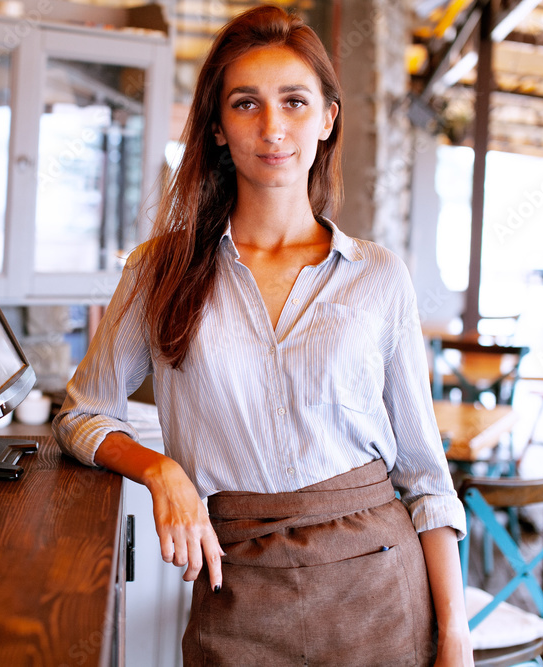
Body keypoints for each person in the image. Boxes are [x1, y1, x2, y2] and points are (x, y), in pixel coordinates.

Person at [53, 6, 473, 666]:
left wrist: (453, 636)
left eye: (295, 102)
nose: (273, 127)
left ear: (327, 118)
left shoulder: (381, 277)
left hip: (381, 586)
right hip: (238, 590)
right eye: (246, 104)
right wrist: (162, 472)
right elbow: (82, 414)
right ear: (218, 127)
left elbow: (425, 478)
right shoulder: (158, 270)